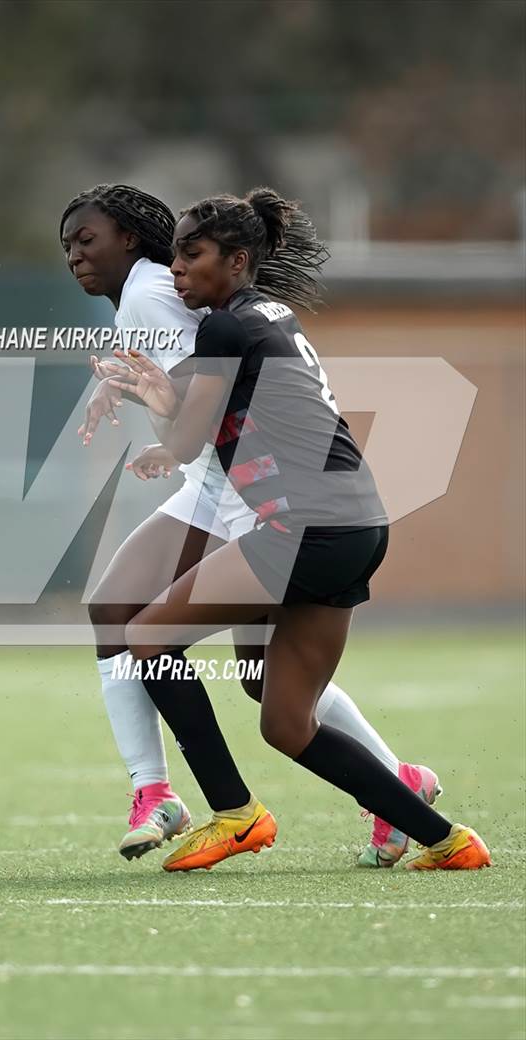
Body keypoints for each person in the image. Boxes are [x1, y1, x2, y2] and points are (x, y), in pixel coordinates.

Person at [106, 187, 490, 872]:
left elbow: (192, 438)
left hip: (306, 530)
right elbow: (207, 426)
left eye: (192, 255)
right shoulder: (264, 315)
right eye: (174, 256)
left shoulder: (225, 327)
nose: (177, 270)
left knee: (147, 635)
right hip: (359, 524)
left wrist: (159, 405)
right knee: (284, 720)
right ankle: (448, 840)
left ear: (237, 259)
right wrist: (167, 414)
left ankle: (234, 813)